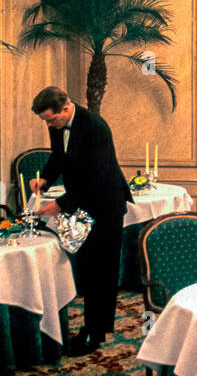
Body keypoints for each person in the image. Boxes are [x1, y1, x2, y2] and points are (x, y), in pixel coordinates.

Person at [28, 86, 132, 356]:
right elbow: (58, 157)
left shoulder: (95, 126)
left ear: (66, 107)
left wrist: (60, 204)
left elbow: (95, 178)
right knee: (87, 269)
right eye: (46, 121)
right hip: (83, 202)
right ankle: (90, 327)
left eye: (52, 119)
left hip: (106, 203)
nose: (49, 124)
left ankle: (96, 333)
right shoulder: (57, 124)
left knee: (103, 272)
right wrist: (45, 180)